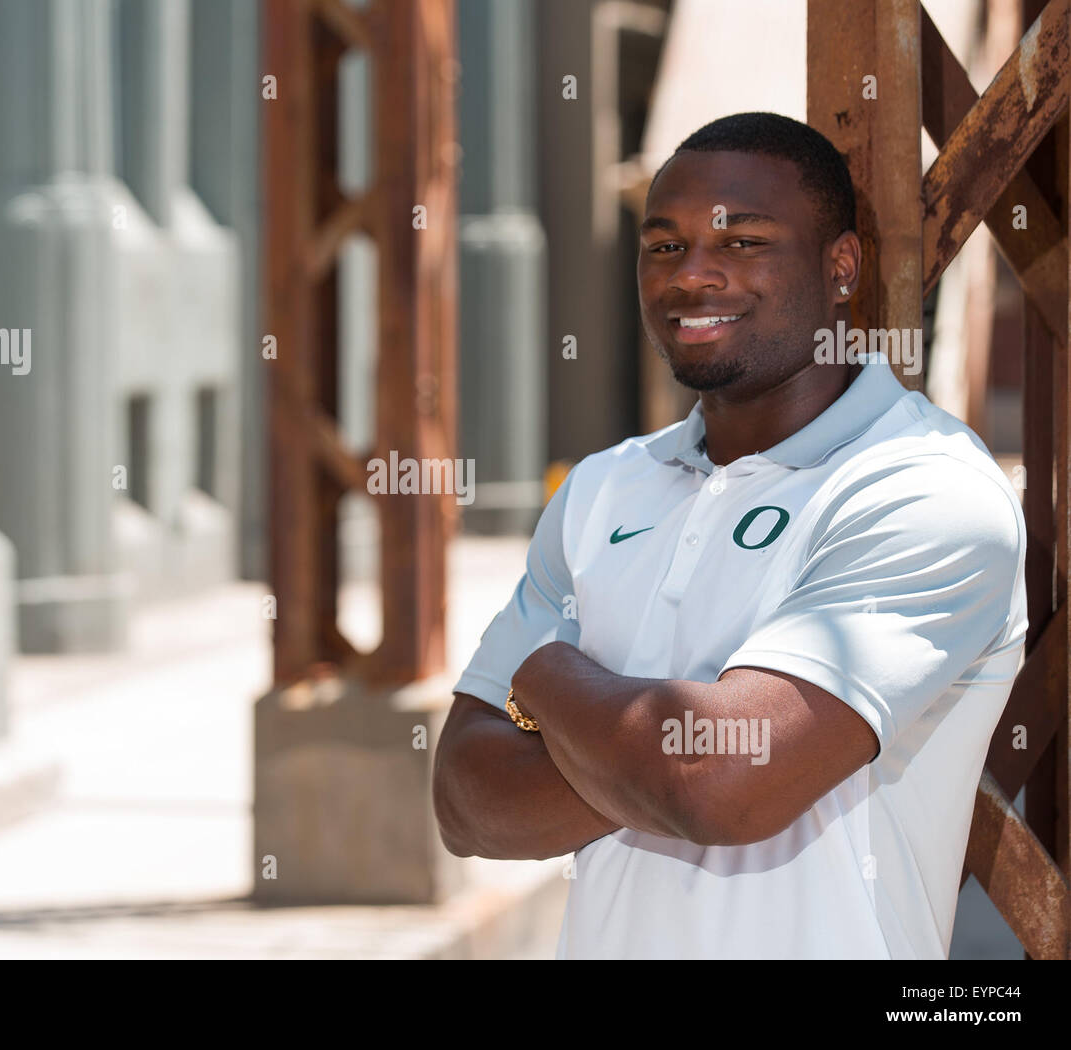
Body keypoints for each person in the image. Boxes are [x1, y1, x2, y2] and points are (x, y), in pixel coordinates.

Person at [432, 111, 1028, 959]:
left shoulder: (922, 489)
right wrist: (657, 762)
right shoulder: (604, 487)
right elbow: (464, 801)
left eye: (743, 241)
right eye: (665, 246)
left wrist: (543, 677)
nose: (693, 274)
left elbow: (721, 785)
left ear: (841, 267)